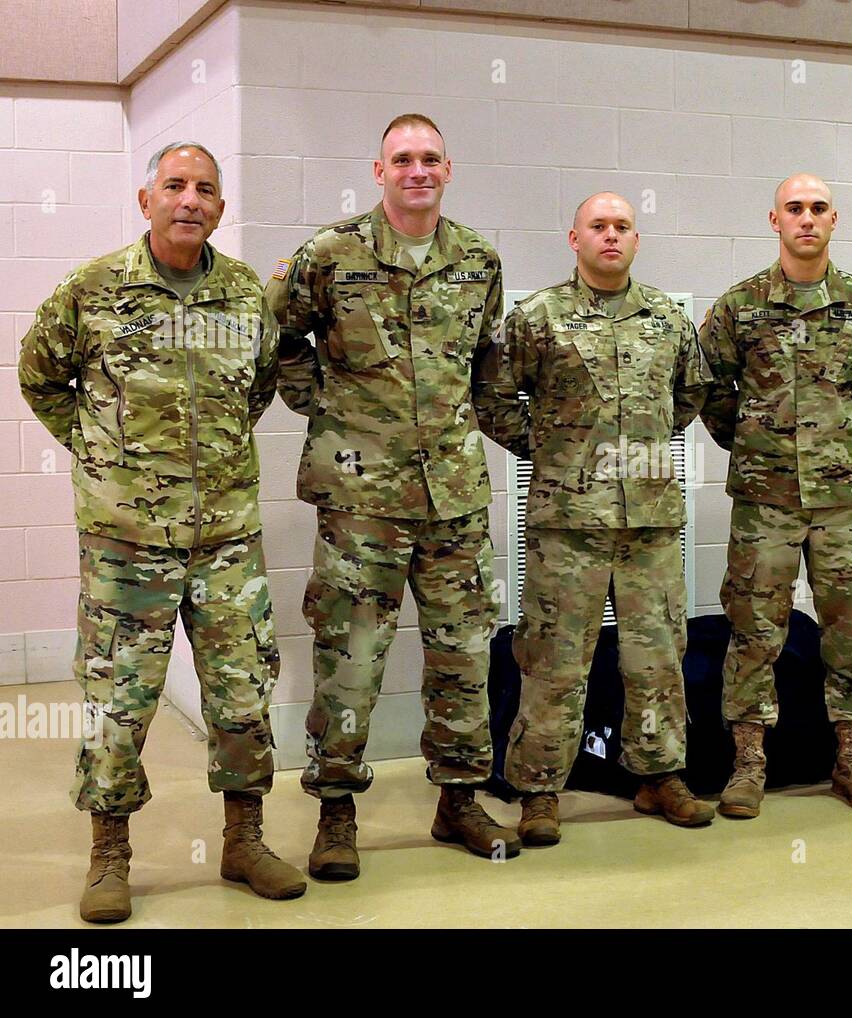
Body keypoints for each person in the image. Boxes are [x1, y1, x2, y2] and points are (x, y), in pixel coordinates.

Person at [19, 141, 303, 923]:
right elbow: (40, 374)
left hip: (226, 540)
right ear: (146, 200)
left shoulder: (246, 295)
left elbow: (259, 386)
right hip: (126, 543)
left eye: (205, 189)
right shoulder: (95, 289)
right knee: (119, 703)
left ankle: (244, 840)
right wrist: (101, 451)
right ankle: (110, 855)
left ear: (220, 206)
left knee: (243, 696)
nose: (189, 199)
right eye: (173, 185)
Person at [268, 114, 517, 874]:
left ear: (449, 168)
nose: (418, 170)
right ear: (378, 171)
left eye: (431, 159)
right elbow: (278, 340)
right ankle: (336, 810)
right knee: (352, 658)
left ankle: (459, 799)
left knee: (461, 655)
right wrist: (332, 413)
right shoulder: (329, 254)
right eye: (402, 159)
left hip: (453, 500)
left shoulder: (478, 259)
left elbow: (486, 362)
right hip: (359, 503)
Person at [475, 192, 714, 845]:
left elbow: (691, 394)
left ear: (636, 239)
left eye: (623, 227)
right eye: (598, 227)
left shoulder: (667, 317)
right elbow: (493, 397)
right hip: (568, 523)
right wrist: (550, 449)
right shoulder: (538, 317)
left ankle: (659, 774)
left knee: (658, 654)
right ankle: (539, 789)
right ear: (574, 239)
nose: (611, 236)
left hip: (650, 522)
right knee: (553, 659)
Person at [698, 173, 852, 818]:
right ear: (775, 220)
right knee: (755, 629)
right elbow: (710, 389)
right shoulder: (741, 307)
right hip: (766, 500)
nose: (807, 219)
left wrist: (845, 444)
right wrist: (758, 445)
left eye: (818, 209)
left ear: (834, 219)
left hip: (843, 499)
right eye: (795, 209)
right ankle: (749, 763)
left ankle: (851, 758)